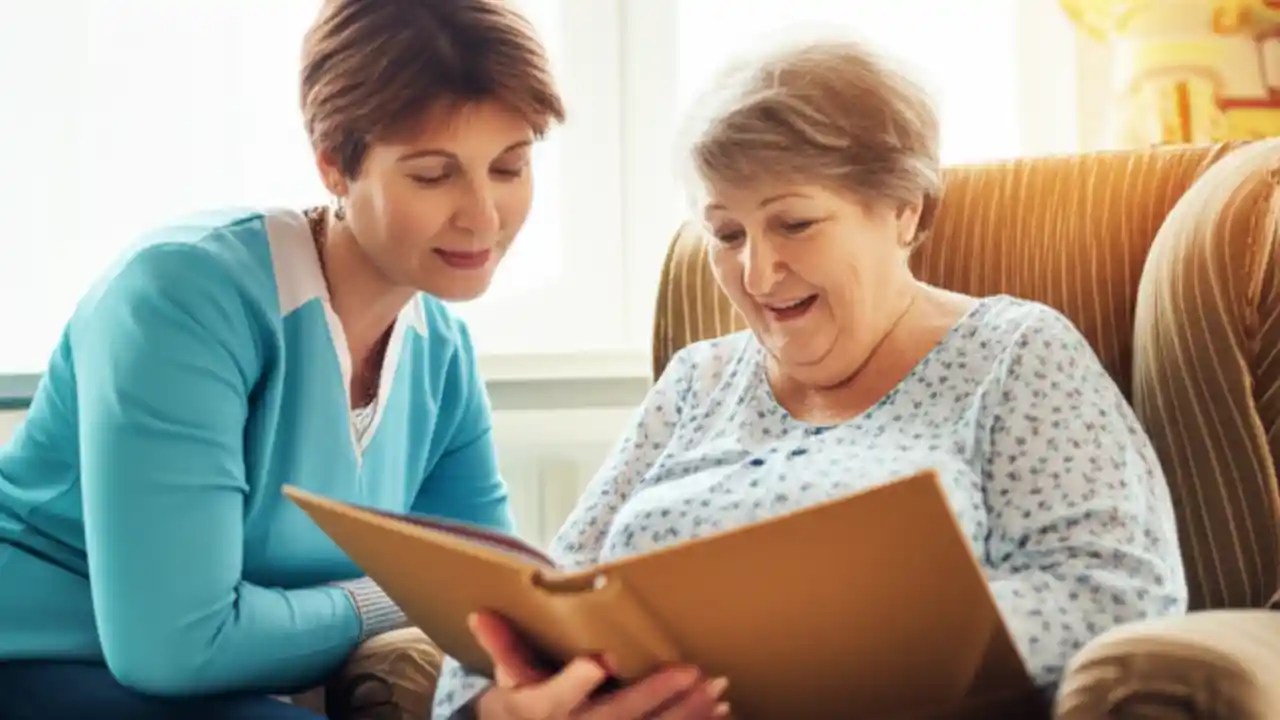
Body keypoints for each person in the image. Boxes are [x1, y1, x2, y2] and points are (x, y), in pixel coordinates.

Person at [431, 37, 1189, 719]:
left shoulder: (1013, 351)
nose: (757, 273)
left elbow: (1114, 591)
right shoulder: (699, 381)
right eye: (726, 234)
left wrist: (826, 646)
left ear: (903, 210)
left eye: (794, 224)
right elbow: (547, 593)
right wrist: (504, 708)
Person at [0, 1, 564, 717]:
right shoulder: (181, 298)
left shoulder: (441, 352)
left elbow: (485, 594)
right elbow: (173, 647)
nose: (483, 214)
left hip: (236, 686)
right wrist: (389, 596)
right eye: (432, 175)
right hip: (40, 657)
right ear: (334, 163)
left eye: (510, 166)